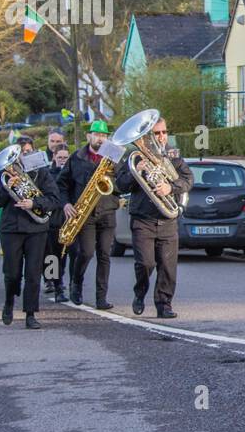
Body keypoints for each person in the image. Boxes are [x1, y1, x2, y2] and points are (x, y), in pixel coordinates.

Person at [115, 116, 193, 319]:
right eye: (157, 133)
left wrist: (170, 187)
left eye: (164, 132)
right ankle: (139, 293)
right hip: (143, 220)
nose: (161, 137)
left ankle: (164, 304)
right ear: (148, 136)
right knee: (145, 263)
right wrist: (135, 172)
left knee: (168, 267)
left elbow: (188, 180)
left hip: (167, 220)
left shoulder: (174, 158)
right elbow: (120, 185)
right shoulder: (134, 158)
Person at [0, 135, 62, 329]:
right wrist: (8, 188)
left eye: (28, 152)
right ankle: (9, 302)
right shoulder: (3, 173)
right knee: (12, 273)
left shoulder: (41, 172)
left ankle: (30, 314)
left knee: (33, 273)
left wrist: (34, 203)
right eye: (21, 152)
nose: (24, 155)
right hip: (11, 228)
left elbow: (54, 199)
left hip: (36, 228)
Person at [64, 121, 121, 309]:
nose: (100, 138)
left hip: (107, 211)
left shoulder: (114, 157)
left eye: (103, 135)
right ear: (89, 136)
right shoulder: (76, 157)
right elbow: (62, 184)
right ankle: (76, 284)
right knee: (86, 253)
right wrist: (66, 203)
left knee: (104, 255)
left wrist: (113, 179)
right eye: (96, 134)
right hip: (85, 212)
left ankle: (101, 298)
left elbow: (124, 183)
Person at [43, 145, 72, 303]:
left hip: (67, 220)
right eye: (60, 157)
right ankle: (55, 284)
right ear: (54, 157)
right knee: (52, 255)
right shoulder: (49, 174)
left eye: (65, 158)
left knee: (65, 255)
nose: (62, 160)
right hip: (53, 220)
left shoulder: (70, 174)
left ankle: (60, 281)